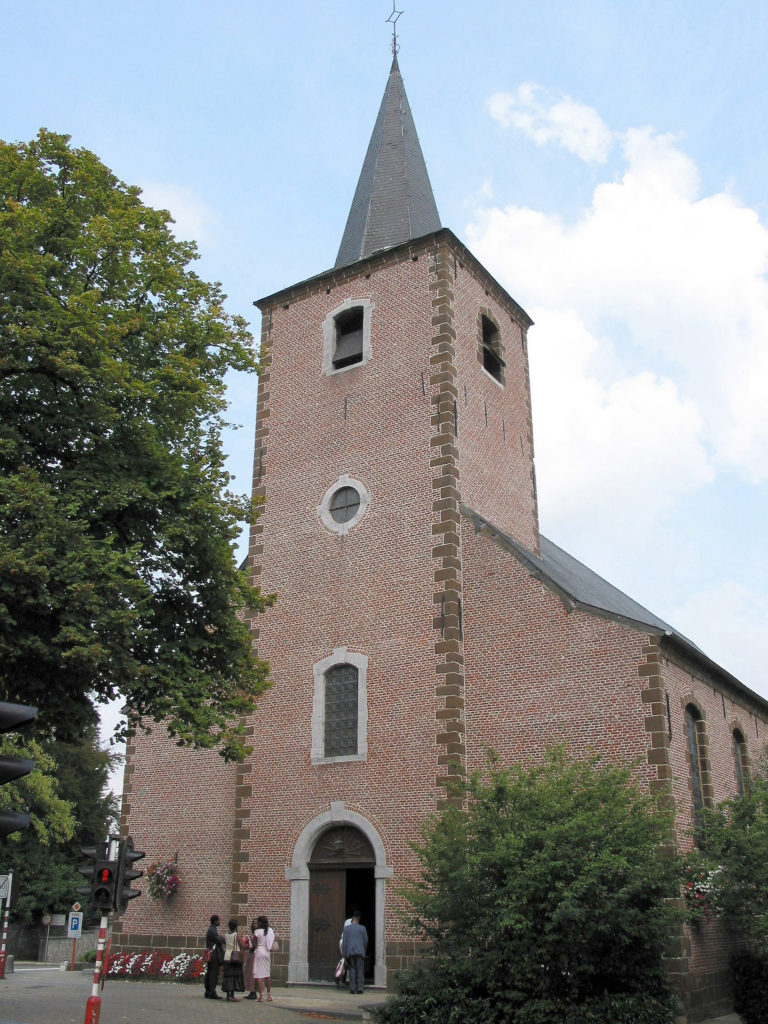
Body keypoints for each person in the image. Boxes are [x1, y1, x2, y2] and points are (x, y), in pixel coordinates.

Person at [341, 912, 368, 995]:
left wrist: (344, 954)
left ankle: (352, 988)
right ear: (357, 921)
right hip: (360, 952)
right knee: (360, 970)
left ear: (351, 921)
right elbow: (365, 941)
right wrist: (364, 950)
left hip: (350, 952)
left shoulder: (346, 929)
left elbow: (344, 943)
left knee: (352, 970)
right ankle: (360, 988)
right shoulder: (362, 928)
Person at [250, 914, 275, 1001]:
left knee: (259, 974)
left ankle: (261, 996)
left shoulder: (257, 931)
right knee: (267, 974)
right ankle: (269, 995)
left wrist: (255, 946)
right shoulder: (269, 931)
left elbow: (253, 941)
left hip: (260, 950)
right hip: (267, 952)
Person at [220, 917, 246, 1002]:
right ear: (236, 927)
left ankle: (228, 995)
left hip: (227, 956)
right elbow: (242, 945)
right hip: (235, 956)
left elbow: (225, 944)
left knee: (228, 975)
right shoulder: (237, 935)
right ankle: (232, 995)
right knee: (234, 976)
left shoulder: (226, 935)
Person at [204, 914, 225, 1000]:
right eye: (218, 920)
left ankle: (208, 990)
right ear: (215, 921)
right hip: (213, 955)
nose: (219, 922)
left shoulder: (212, 929)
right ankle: (211, 991)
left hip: (212, 954)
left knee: (210, 972)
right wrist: (224, 939)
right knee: (213, 973)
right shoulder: (212, 930)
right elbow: (218, 940)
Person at [243, 919, 257, 999]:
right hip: (251, 954)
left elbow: (255, 945)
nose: (254, 925)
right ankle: (252, 991)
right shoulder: (254, 933)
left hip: (254, 954)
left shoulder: (257, 933)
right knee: (249, 972)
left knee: (252, 972)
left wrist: (250, 945)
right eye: (253, 923)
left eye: (256, 923)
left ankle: (253, 991)